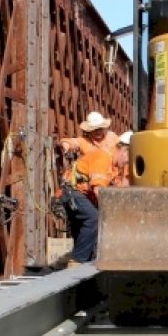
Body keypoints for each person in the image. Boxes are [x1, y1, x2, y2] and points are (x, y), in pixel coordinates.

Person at [57, 111, 119, 262]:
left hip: (92, 188)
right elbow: (71, 142)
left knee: (86, 224)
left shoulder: (113, 139)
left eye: (100, 129)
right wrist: (66, 145)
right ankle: (79, 260)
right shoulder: (88, 145)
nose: (97, 133)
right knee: (92, 219)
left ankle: (84, 260)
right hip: (83, 189)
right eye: (93, 130)